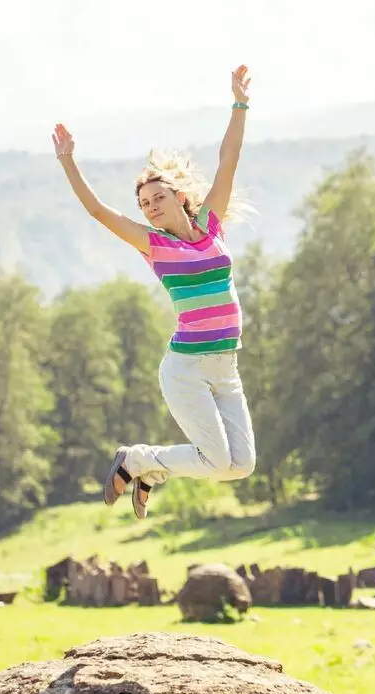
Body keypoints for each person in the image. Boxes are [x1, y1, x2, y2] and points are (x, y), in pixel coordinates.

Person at [52, 64, 257, 520]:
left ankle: (147, 469)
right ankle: (138, 460)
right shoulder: (155, 246)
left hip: (226, 366)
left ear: (180, 197)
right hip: (186, 369)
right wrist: (68, 161)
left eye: (158, 198)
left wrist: (239, 103)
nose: (150, 207)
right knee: (217, 460)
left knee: (240, 466)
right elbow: (97, 211)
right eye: (144, 204)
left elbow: (229, 160)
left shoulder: (210, 225)